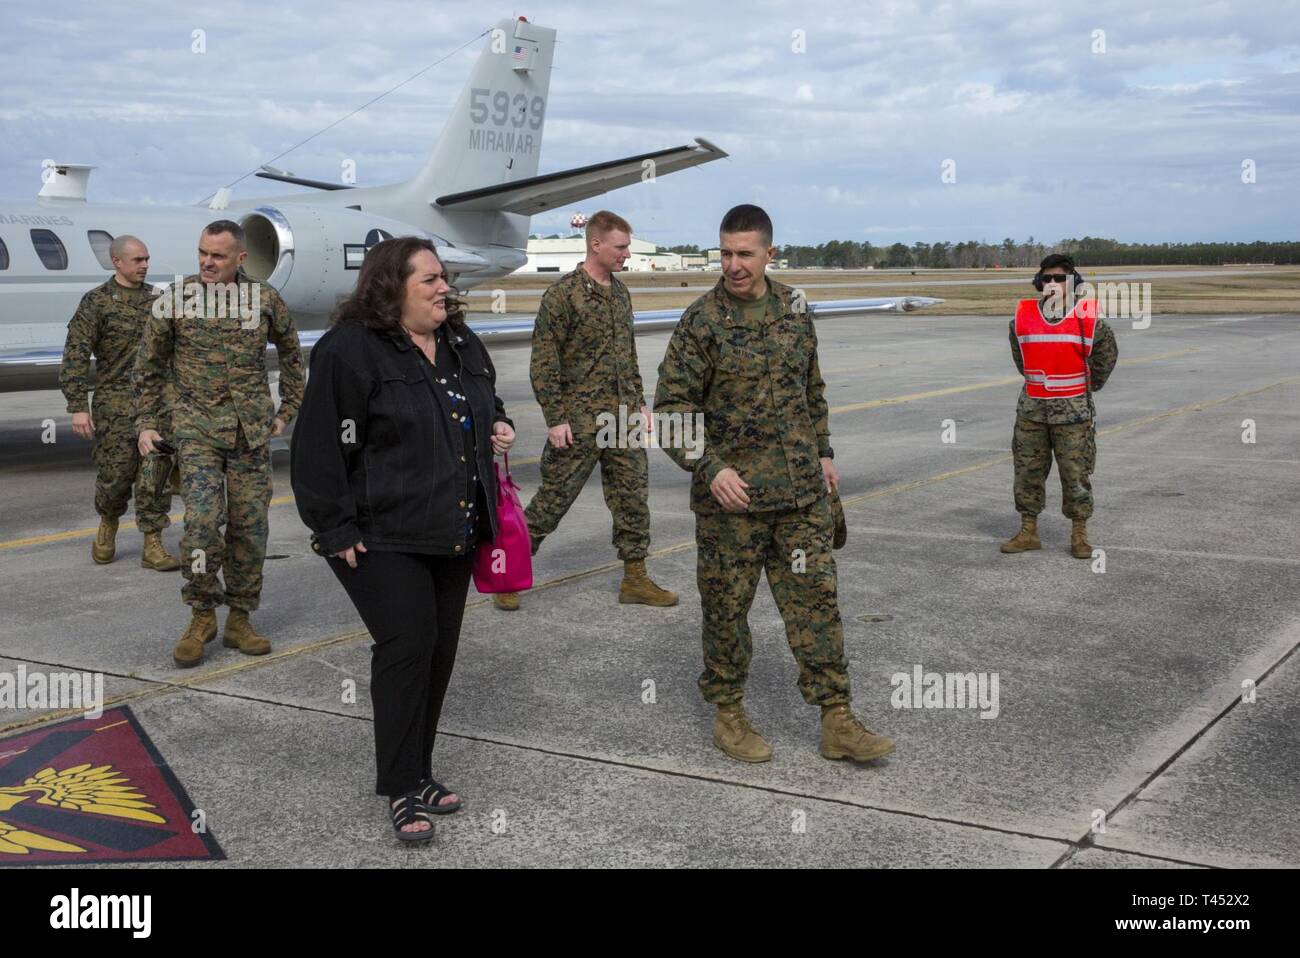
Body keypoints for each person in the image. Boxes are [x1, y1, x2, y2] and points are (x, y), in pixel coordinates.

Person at [290, 237, 516, 842]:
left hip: (454, 526)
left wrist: (499, 422)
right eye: (431, 280)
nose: (445, 288)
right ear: (392, 288)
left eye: (444, 278)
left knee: (437, 652)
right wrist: (333, 526)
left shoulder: (460, 341)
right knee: (407, 645)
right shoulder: (349, 351)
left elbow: (486, 398)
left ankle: (418, 771)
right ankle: (399, 789)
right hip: (381, 534)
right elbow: (317, 445)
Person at [653, 204, 894, 765]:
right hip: (732, 505)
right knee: (727, 612)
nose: (733, 265)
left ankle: (837, 719)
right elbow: (671, 410)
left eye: (745, 253)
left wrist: (825, 452)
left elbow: (812, 388)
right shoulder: (701, 321)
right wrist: (710, 468)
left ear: (769, 253)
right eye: (725, 253)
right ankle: (729, 715)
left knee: (817, 608)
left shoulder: (793, 308)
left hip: (802, 496)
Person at [135, 220, 305, 667]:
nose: (208, 262)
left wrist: (287, 409)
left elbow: (292, 352)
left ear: (240, 258)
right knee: (201, 527)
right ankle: (202, 614)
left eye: (219, 256)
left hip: (250, 434)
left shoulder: (264, 299)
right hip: (195, 432)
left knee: (251, 529)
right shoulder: (174, 300)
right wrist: (148, 423)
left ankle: (241, 619)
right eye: (203, 253)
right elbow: (148, 366)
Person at [493, 210, 677, 611]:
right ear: (596, 244)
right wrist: (555, 418)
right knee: (552, 501)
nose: (627, 254)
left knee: (632, 499)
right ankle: (508, 576)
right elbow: (544, 362)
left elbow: (626, 356)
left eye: (627, 246)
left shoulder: (620, 293)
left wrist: (640, 404)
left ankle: (636, 578)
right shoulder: (563, 295)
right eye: (621, 246)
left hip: (622, 421)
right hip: (577, 422)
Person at [60, 235, 179, 571]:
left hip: (157, 403)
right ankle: (108, 523)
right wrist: (78, 405)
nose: (144, 265)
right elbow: (76, 353)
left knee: (155, 474)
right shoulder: (97, 302)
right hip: (115, 404)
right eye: (138, 260)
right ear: (117, 262)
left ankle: (153, 544)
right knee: (115, 477)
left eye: (147, 259)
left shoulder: (160, 299)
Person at [1001, 253, 1118, 558]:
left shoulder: (1088, 317)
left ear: (1072, 283)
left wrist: (1085, 388)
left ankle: (1079, 535)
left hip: (1073, 414)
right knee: (1027, 473)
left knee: (1075, 474)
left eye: (1060, 278)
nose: (1053, 283)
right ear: (1039, 282)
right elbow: (1021, 358)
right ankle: (1028, 531)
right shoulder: (1022, 317)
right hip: (1032, 412)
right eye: (1048, 278)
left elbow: (1105, 357)